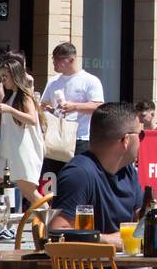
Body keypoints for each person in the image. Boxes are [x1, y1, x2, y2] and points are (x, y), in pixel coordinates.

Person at [50, 102, 144, 245]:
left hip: (126, 264)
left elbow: (143, 220)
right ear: (126, 140)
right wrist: (108, 240)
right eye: (141, 134)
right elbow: (57, 232)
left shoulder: (128, 172)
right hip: (91, 266)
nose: (142, 141)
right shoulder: (78, 175)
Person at [0, 56, 44, 211]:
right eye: (1, 77)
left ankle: (49, 221)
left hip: (21, 150)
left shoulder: (24, 96)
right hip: (6, 150)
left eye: (5, 76)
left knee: (29, 192)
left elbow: (32, 119)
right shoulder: (8, 96)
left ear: (15, 76)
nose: (2, 80)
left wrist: (10, 110)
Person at [41, 42, 104, 166]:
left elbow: (98, 107)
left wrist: (74, 107)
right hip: (56, 137)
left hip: (80, 138)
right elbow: (43, 104)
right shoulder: (53, 81)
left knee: (77, 175)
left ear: (71, 59)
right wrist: (47, 111)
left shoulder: (90, 80)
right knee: (53, 177)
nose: (54, 63)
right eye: (53, 59)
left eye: (58, 59)